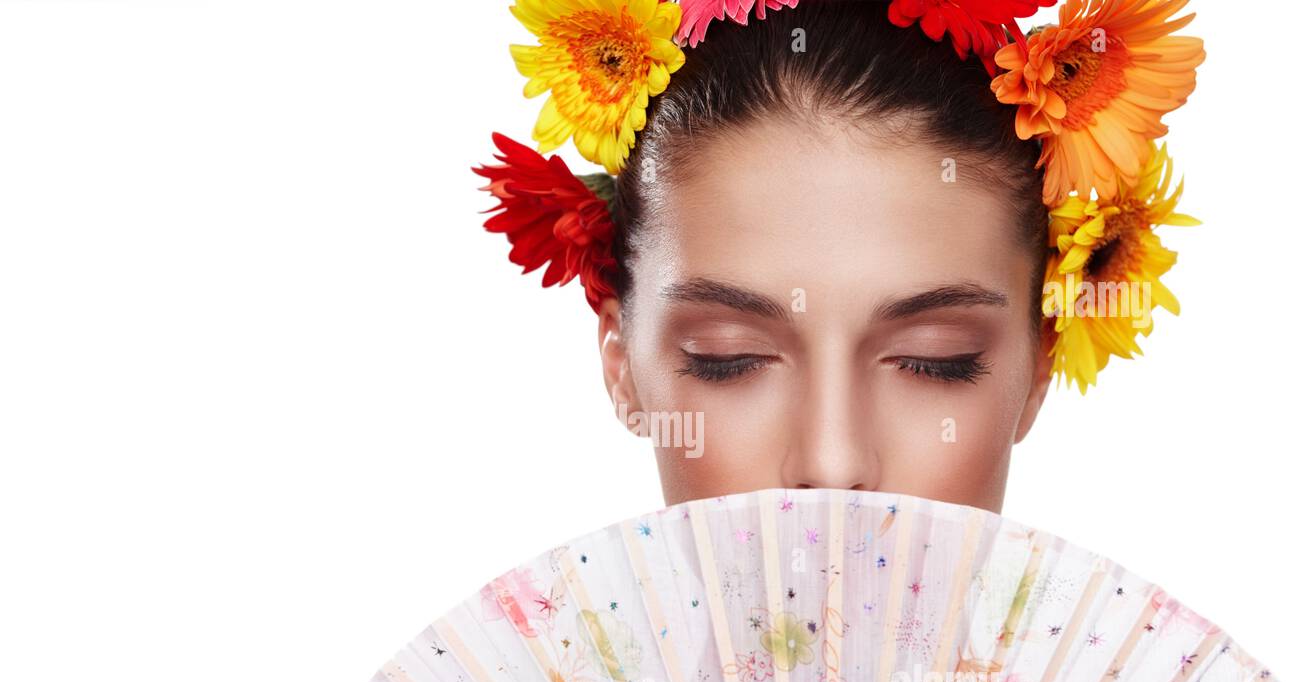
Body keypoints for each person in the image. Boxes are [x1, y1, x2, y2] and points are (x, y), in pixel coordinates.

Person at [475, 0, 1202, 513]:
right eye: (728, 358)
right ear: (621, 368)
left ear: (1038, 366)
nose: (831, 464)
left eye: (934, 359)